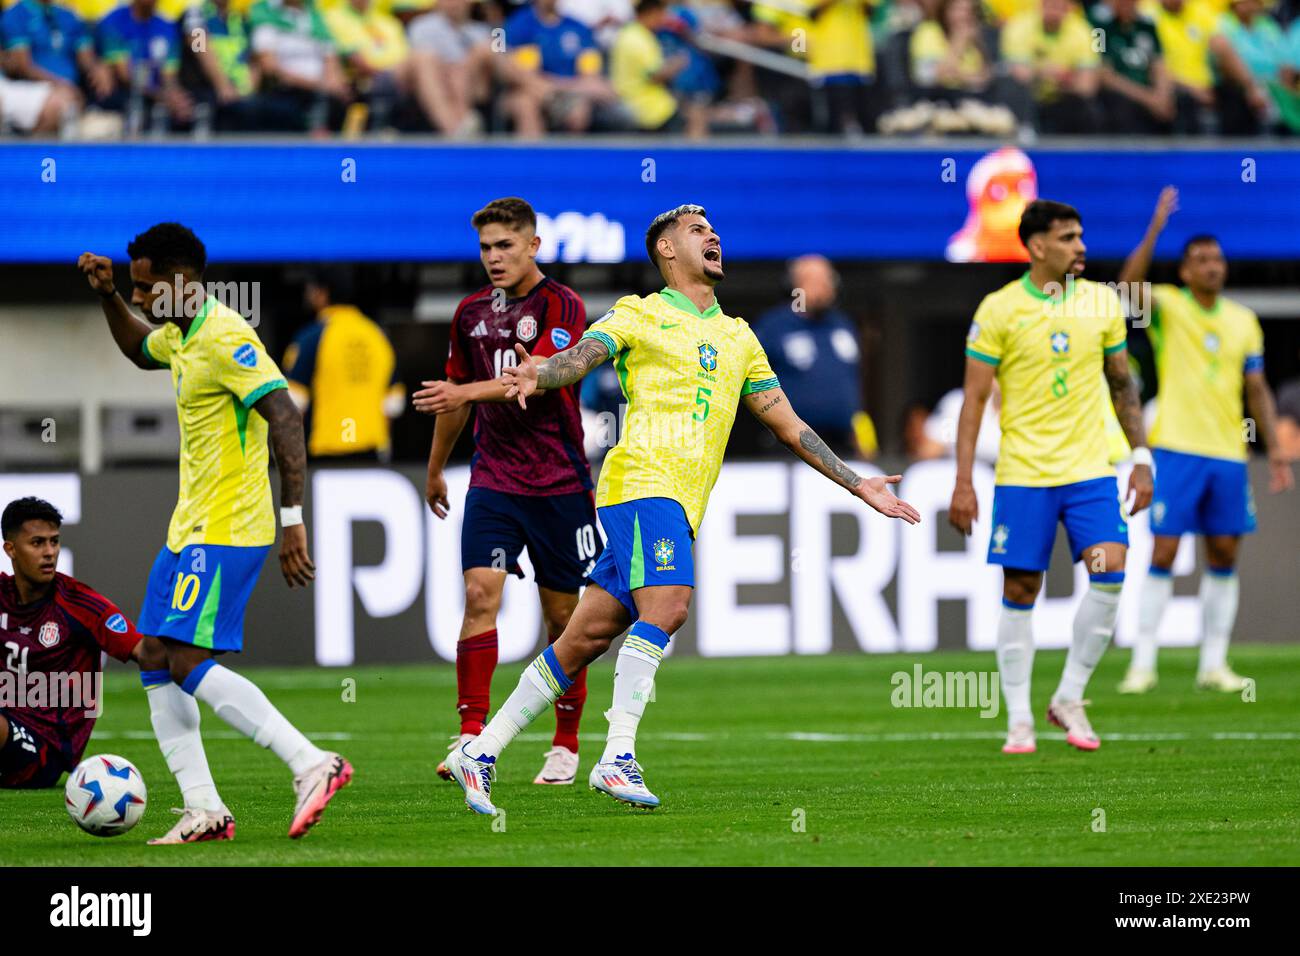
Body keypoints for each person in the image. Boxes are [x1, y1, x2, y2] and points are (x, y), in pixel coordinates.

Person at [442, 204, 921, 815]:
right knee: (669, 606)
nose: (712, 237)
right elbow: (580, 357)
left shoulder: (740, 337)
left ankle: (479, 752)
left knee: (584, 635)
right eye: (697, 232)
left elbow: (789, 425)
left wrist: (859, 485)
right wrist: (543, 376)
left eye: (713, 230)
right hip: (643, 483)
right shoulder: (640, 314)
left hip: (679, 501)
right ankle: (616, 757)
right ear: (667, 251)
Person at [78, 223, 351, 845]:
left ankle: (311, 762)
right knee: (152, 657)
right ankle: (204, 809)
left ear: (182, 280)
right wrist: (108, 296)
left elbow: (283, 413)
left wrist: (293, 520)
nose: (142, 296)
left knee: (184, 658)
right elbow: (137, 348)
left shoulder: (227, 335)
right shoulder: (181, 333)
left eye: (147, 286)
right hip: (189, 526)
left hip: (229, 525)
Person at [948, 198, 1153, 756]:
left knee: (1110, 571)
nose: (1080, 247)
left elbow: (1122, 384)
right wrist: (964, 480)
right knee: (1021, 590)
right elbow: (973, 399)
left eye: (1081, 236)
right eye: (1067, 238)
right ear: (1037, 247)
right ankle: (1019, 721)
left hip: (1089, 471)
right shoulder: (998, 309)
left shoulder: (1103, 304)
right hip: (1023, 474)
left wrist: (1142, 457)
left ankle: (1069, 695)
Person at [411, 197, 598, 787]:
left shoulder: (563, 304)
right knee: (478, 594)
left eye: (505, 246)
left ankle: (565, 743)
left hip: (561, 483)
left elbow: (536, 378)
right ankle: (471, 736)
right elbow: (453, 395)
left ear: (533, 246)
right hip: (494, 479)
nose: (493, 257)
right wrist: (437, 467)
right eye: (486, 247)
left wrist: (463, 394)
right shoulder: (469, 313)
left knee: (564, 618)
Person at [1116, 186, 1294, 695]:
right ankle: (1143, 663)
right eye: (1200, 259)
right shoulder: (1169, 307)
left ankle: (1213, 663)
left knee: (1223, 553)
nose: (1212, 265)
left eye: (1216, 258)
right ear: (1185, 272)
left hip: (1228, 454)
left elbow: (1255, 386)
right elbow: (1127, 287)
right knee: (1165, 552)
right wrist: (1154, 229)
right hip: (1175, 447)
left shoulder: (1244, 321)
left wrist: (1275, 450)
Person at [0, 498, 152, 789]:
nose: (49, 553)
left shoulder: (80, 604)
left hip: (45, 749)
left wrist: (188, 652)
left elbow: (142, 651)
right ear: (11, 549)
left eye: (54, 542)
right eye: (37, 543)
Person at [756, 254, 873, 461]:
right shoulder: (774, 326)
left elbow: (853, 382)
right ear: (793, 285)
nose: (824, 286)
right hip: (790, 446)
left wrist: (863, 435)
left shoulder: (843, 325)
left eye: (828, 279)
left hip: (841, 444)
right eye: (814, 280)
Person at [283, 268, 404, 463]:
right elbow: (394, 403)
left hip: (327, 455)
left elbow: (293, 404)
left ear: (322, 293)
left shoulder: (311, 338)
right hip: (372, 454)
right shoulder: (376, 335)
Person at [1000, 0, 1102, 134]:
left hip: (1064, 96)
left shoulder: (1085, 31)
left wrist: (1067, 79)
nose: (1054, 11)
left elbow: (1087, 87)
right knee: (1013, 88)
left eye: (1060, 6)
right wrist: (1043, 72)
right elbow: (1019, 74)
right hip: (1028, 96)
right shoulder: (1018, 26)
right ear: (1040, 5)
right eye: (1049, 4)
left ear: (1069, 9)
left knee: (1087, 107)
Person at [1088, 0, 1175, 133]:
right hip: (1122, 92)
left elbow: (1159, 64)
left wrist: (1162, 96)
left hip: (1149, 90)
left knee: (1178, 101)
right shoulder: (1099, 30)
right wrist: (1147, 98)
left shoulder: (1148, 27)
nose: (1126, 4)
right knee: (1121, 106)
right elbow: (1104, 74)